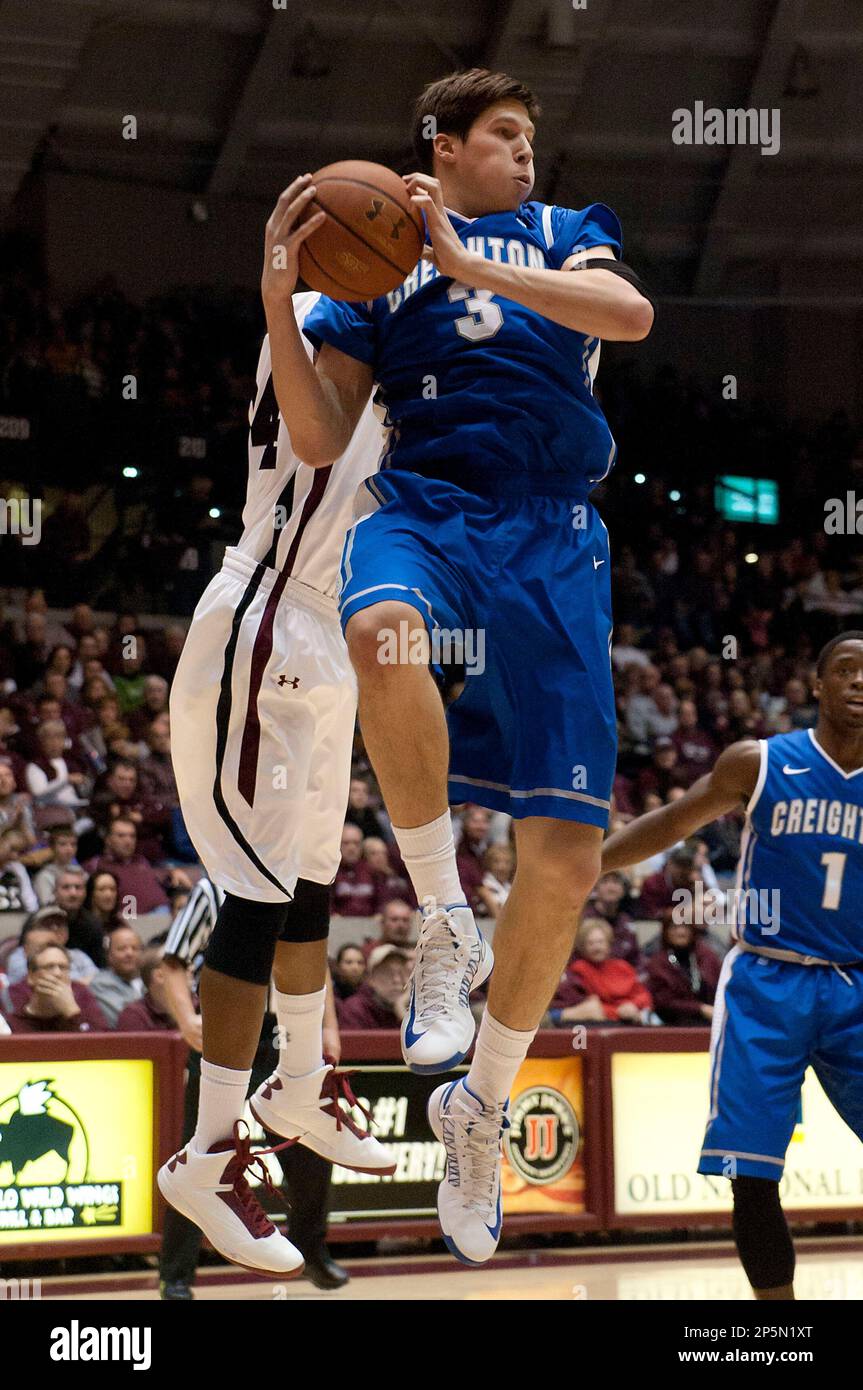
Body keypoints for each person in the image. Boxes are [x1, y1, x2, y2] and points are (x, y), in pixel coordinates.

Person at [273, 65, 653, 1264]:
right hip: (427, 508)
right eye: (501, 136)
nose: (525, 154)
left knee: (566, 858)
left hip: (550, 530)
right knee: (379, 633)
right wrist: (281, 300)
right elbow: (321, 434)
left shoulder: (562, 233)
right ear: (439, 145)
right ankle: (442, 915)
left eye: (529, 136)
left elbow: (630, 318)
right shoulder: (376, 264)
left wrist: (473, 257)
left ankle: (477, 1101)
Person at [157, 285, 396, 1280]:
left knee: (305, 881)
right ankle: (207, 1152)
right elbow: (320, 430)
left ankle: (297, 1084)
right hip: (269, 617)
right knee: (254, 896)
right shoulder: (326, 318)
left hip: (326, 630)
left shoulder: (382, 322)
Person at [601, 631, 863, 1301]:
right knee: (751, 1174)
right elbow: (671, 821)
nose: (859, 683)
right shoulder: (759, 762)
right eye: (844, 670)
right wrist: (589, 865)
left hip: (853, 982)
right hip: (765, 984)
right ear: (815, 685)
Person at [159, 877, 354, 1296]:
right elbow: (172, 963)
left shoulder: (298, 883)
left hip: (288, 1034)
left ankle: (311, 1249)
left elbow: (314, 968)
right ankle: (175, 1274)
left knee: (312, 1143)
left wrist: (330, 1028)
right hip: (226, 1033)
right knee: (204, 1152)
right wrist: (185, 1018)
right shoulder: (211, 889)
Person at [549, 919, 652, 1026]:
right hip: (602, 1023)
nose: (597, 947)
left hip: (633, 1016)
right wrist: (618, 1012)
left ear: (608, 943)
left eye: (600, 942)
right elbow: (591, 1008)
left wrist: (632, 1006)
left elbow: (644, 995)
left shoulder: (623, 966)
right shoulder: (579, 970)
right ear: (583, 947)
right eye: (591, 943)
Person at [3, 944, 108, 1033]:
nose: (57, 973)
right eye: (49, 967)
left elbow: (103, 1047)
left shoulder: (83, 997)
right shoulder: (15, 1022)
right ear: (31, 977)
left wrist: (72, 1012)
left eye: (63, 967)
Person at [646, 911, 721, 1025]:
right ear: (665, 931)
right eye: (674, 927)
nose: (680, 932)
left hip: (712, 1022)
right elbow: (663, 1002)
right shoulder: (658, 963)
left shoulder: (707, 956)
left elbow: (720, 987)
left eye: (685, 926)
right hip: (671, 1026)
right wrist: (700, 1009)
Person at [4, 906, 97, 986]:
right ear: (31, 931)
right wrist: (82, 984)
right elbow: (39, 983)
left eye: (60, 924)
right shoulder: (19, 955)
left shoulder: (78, 955)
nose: (55, 929)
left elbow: (98, 982)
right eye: (47, 925)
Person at [336, 945, 411, 1030]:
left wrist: (402, 1011)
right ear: (370, 979)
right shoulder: (355, 1009)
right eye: (387, 973)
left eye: (402, 973)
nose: (397, 980)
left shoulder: (417, 1008)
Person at [87, 924, 144, 1026]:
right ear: (109, 955)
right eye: (122, 949)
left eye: (135, 948)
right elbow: (129, 1020)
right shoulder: (100, 984)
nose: (129, 953)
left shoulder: (150, 980)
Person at [115, 945, 177, 1030]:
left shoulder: (198, 1007)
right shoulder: (134, 1016)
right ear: (159, 976)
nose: (191, 968)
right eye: (182, 967)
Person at [32, 826, 79, 905]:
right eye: (63, 844)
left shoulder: (80, 871)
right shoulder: (45, 876)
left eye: (73, 844)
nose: (69, 849)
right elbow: (46, 904)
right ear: (52, 848)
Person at [0, 828, 38, 913]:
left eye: (19, 852)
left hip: (16, 919)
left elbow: (29, 900)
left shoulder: (17, 868)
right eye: (12, 849)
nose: (14, 856)